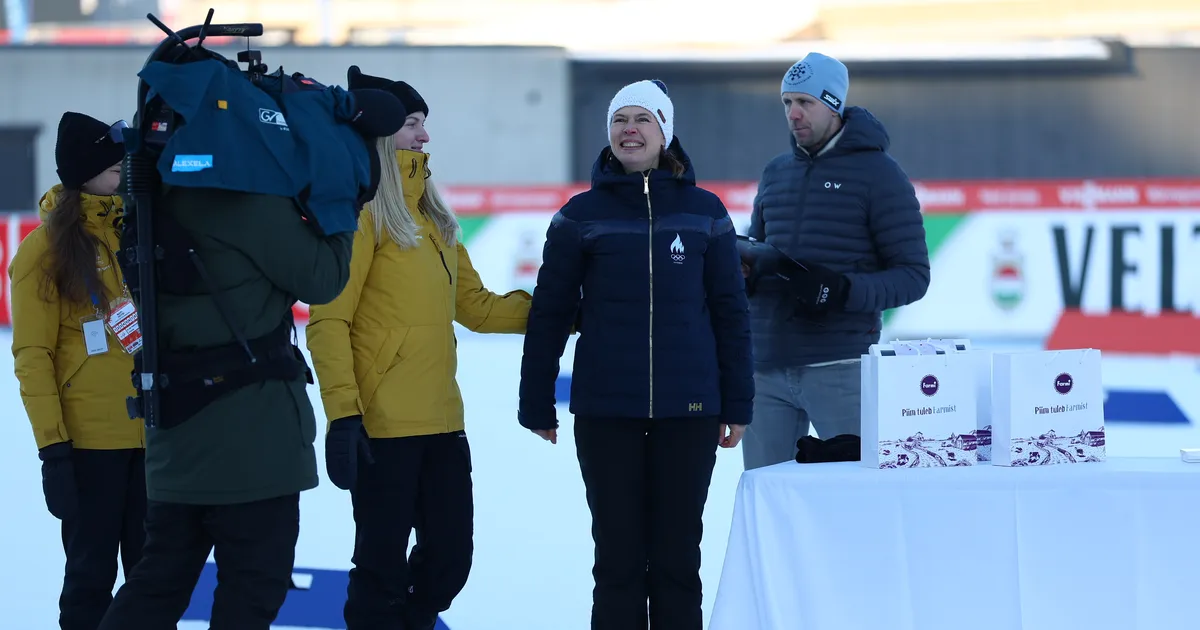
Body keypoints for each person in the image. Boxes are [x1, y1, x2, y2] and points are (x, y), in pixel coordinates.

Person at [94, 85, 407, 628]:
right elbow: (323, 278)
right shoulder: (246, 202)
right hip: (250, 444)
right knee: (251, 592)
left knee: (156, 585)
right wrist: (342, 200)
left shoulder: (157, 197)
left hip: (173, 433)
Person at [517, 79, 754, 630]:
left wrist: (736, 401)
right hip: (607, 413)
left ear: (665, 131)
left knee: (677, 561)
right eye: (619, 119)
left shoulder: (706, 213)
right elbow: (550, 311)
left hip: (688, 411)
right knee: (617, 562)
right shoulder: (579, 216)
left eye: (642, 119)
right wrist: (535, 400)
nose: (629, 130)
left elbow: (730, 311)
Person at [306, 66, 534, 630]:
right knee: (379, 571)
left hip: (441, 423)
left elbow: (478, 307)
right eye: (411, 123)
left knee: (449, 564)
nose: (424, 136)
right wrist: (343, 417)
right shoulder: (359, 215)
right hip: (381, 429)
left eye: (425, 124)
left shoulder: (434, 218)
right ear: (383, 132)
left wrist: (562, 310)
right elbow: (327, 322)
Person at [739, 52, 931, 470]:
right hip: (766, 367)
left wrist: (841, 290)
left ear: (834, 104)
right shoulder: (776, 172)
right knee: (769, 498)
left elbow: (914, 276)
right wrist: (746, 270)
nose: (793, 114)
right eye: (787, 103)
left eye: (805, 103)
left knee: (853, 504)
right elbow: (757, 246)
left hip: (840, 367)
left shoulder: (880, 174)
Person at [10, 112, 144, 630]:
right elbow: (33, 357)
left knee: (153, 581)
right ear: (85, 173)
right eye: (115, 169)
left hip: (152, 442)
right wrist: (54, 451)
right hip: (89, 448)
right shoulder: (43, 252)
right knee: (89, 580)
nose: (124, 176)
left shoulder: (136, 229)